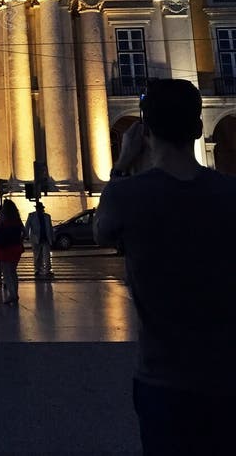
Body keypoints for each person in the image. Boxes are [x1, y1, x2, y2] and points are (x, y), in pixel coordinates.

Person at [95, 79, 236, 455]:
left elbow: (102, 231)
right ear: (198, 127)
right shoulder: (229, 194)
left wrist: (123, 163)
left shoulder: (127, 197)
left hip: (163, 378)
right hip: (226, 374)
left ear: (146, 132)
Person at [0, 199, 25, 305]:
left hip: (6, 247)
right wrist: (20, 239)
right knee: (13, 272)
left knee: (6, 272)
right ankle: (15, 293)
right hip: (16, 247)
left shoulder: (3, 217)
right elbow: (24, 231)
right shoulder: (17, 218)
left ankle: (12, 295)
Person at [25, 201, 53, 280]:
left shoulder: (47, 216)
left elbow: (50, 227)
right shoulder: (31, 216)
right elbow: (27, 226)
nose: (39, 210)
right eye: (38, 208)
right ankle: (38, 269)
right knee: (37, 255)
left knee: (46, 255)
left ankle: (47, 269)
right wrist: (26, 234)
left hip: (45, 238)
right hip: (36, 238)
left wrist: (52, 238)